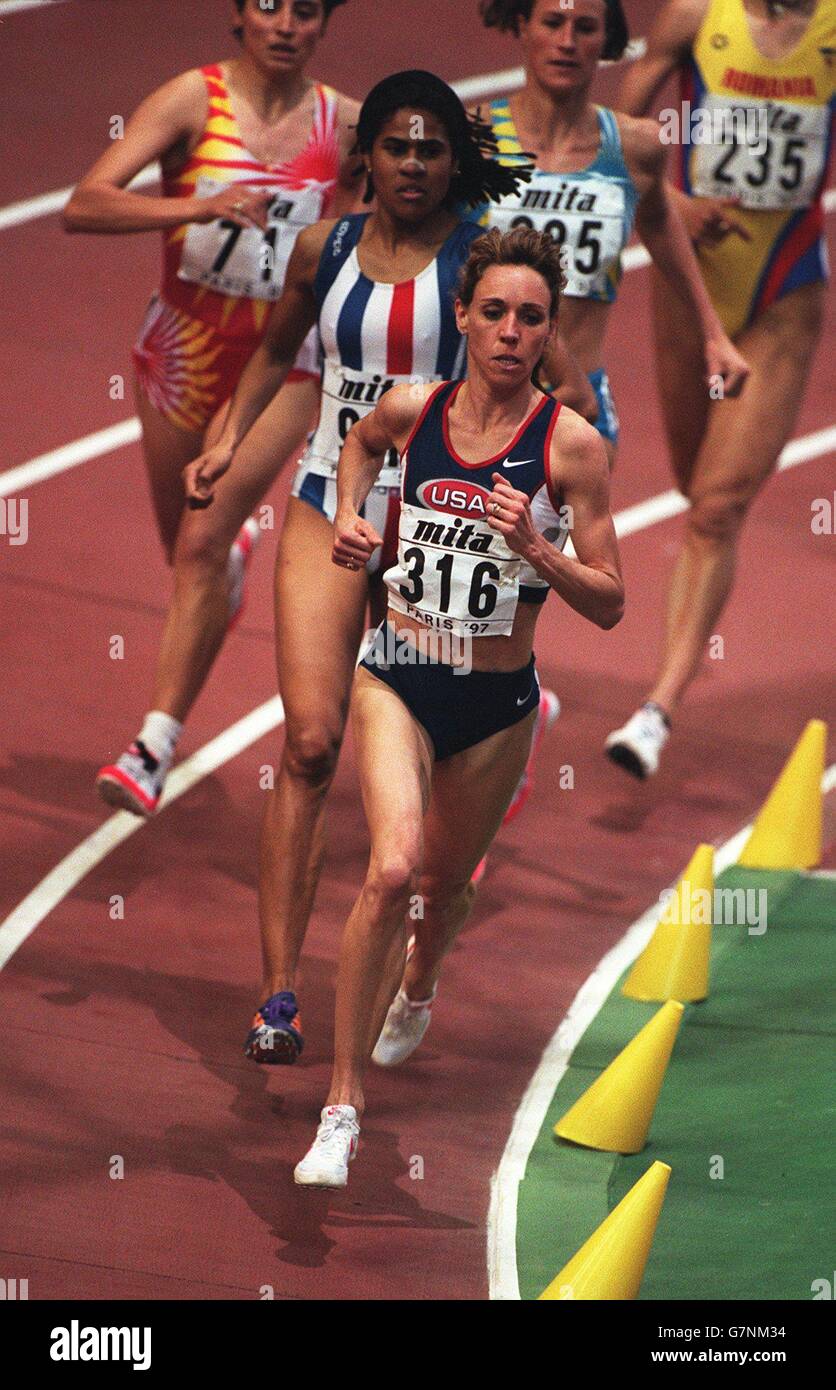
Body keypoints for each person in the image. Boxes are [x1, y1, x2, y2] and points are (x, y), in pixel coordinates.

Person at [182, 71, 551, 1067]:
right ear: (369, 158)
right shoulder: (327, 246)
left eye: (433, 150)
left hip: (438, 533)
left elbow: (531, 377)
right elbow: (275, 354)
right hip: (327, 500)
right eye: (398, 147)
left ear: (450, 162)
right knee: (308, 742)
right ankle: (276, 995)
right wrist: (225, 439)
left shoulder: (476, 258)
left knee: (432, 810)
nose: (416, 166)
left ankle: (415, 958)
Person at [293, 226, 624, 1188]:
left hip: (496, 703)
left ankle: (421, 980)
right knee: (390, 867)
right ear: (465, 319)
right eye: (494, 314)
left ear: (549, 329)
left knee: (442, 889)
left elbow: (611, 603)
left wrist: (542, 552)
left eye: (532, 318)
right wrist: (354, 515)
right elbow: (356, 446)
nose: (512, 333)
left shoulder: (571, 446)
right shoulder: (410, 407)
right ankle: (341, 1109)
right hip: (395, 672)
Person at [63, 0, 362, 815]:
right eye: (268, 4)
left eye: (307, 10)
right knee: (188, 545)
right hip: (180, 352)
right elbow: (84, 204)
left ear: (325, 24)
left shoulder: (348, 125)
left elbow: (405, 206)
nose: (287, 24)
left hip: (286, 364)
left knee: (199, 536)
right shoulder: (191, 101)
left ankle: (152, 744)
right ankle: (224, 573)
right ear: (237, 15)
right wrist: (194, 206)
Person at [606, 0, 833, 777]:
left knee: (716, 507)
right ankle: (677, 669)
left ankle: (656, 709)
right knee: (689, 481)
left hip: (787, 288)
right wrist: (670, 203)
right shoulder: (695, 17)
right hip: (689, 281)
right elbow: (613, 137)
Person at [475, 0, 750, 469]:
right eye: (553, 23)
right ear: (522, 25)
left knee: (566, 542)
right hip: (479, 401)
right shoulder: (473, 141)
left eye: (585, 28)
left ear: (606, 42)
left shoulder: (634, 147)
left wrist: (713, 335)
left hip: (579, 404)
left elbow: (662, 225)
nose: (567, 42)